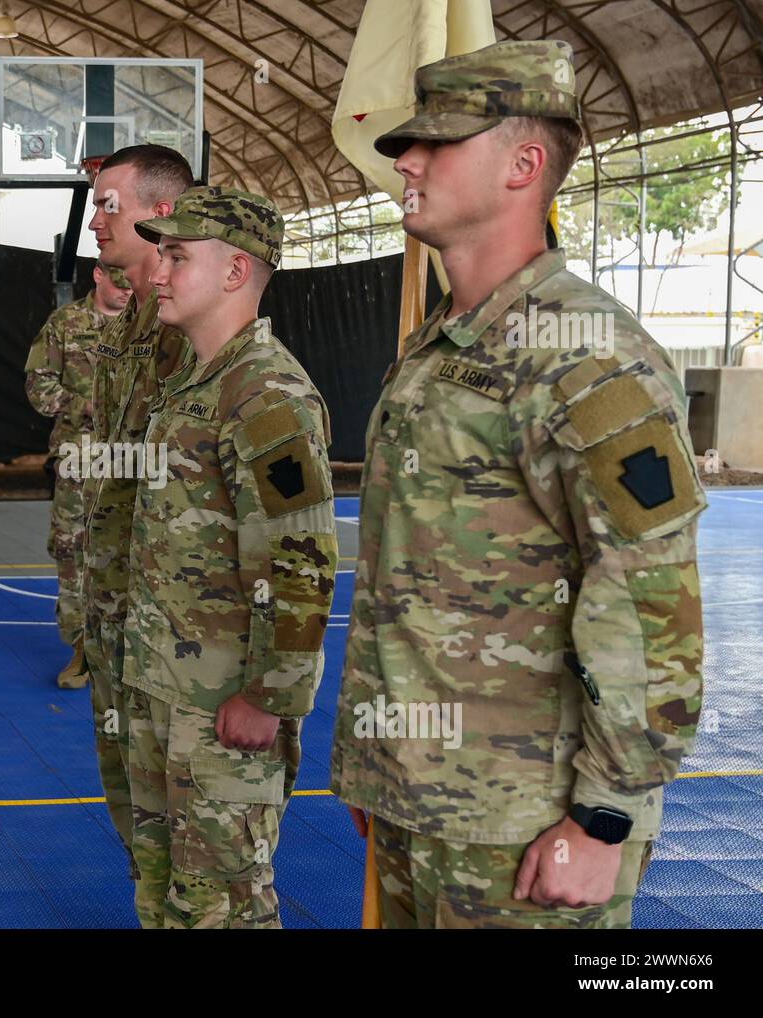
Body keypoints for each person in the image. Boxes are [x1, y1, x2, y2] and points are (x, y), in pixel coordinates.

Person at [329, 39, 707, 929]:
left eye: (439, 142)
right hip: (425, 794)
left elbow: (650, 597)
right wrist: (377, 755)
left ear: (525, 164)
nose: (407, 160)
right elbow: (402, 581)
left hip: (524, 822)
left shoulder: (585, 352)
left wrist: (604, 817)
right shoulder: (440, 348)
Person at [123, 187, 337, 928]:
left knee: (223, 907)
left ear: (236, 271)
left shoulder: (265, 393)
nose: (158, 272)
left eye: (178, 256)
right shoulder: (196, 383)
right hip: (168, 687)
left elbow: (300, 558)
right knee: (165, 894)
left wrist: (271, 695)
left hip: (222, 707)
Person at [82, 144, 194, 871]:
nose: (95, 217)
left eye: (108, 203)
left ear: (160, 214)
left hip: (178, 642)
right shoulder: (126, 328)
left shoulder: (194, 328)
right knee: (142, 834)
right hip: (118, 620)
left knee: (195, 855)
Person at [24, 261, 132, 688]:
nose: (126, 293)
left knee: (131, 549)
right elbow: (38, 384)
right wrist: (82, 407)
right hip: (78, 459)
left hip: (132, 459)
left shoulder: (149, 325)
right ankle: (81, 651)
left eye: (131, 286)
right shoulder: (65, 324)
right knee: (73, 551)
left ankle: (127, 652)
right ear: (99, 276)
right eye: (118, 284)